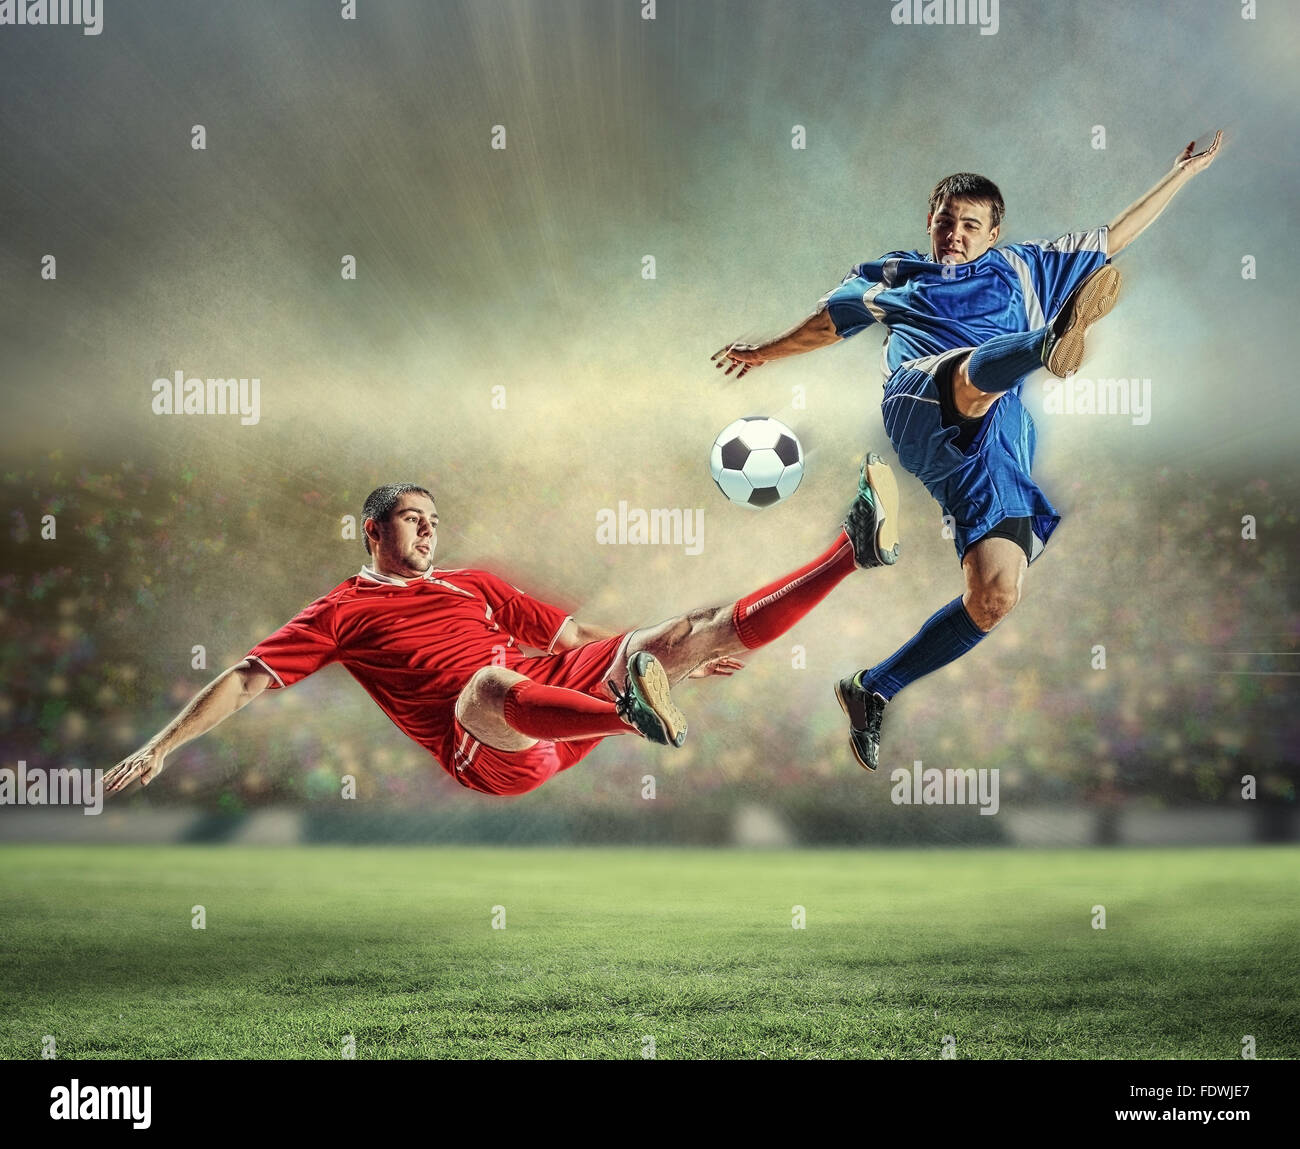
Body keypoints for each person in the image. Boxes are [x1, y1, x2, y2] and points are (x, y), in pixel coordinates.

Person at [712, 132, 1223, 771]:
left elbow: (1114, 236)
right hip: (923, 397)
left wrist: (1182, 171)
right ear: (930, 222)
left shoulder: (1022, 267)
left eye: (970, 225)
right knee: (969, 375)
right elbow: (825, 324)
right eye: (945, 222)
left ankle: (873, 688)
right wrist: (764, 352)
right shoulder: (892, 274)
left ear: (993, 232)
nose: (954, 234)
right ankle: (1046, 345)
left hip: (998, 448)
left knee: (995, 596)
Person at [104, 470, 901, 798]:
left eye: (434, 521)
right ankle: (631, 710)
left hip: (555, 695)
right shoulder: (340, 610)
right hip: (489, 743)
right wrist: (163, 745)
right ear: (373, 528)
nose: (429, 531)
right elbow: (246, 677)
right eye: (414, 519)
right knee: (487, 685)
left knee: (692, 627)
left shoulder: (473, 583)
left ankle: (847, 552)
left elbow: (573, 633)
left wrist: (668, 657)